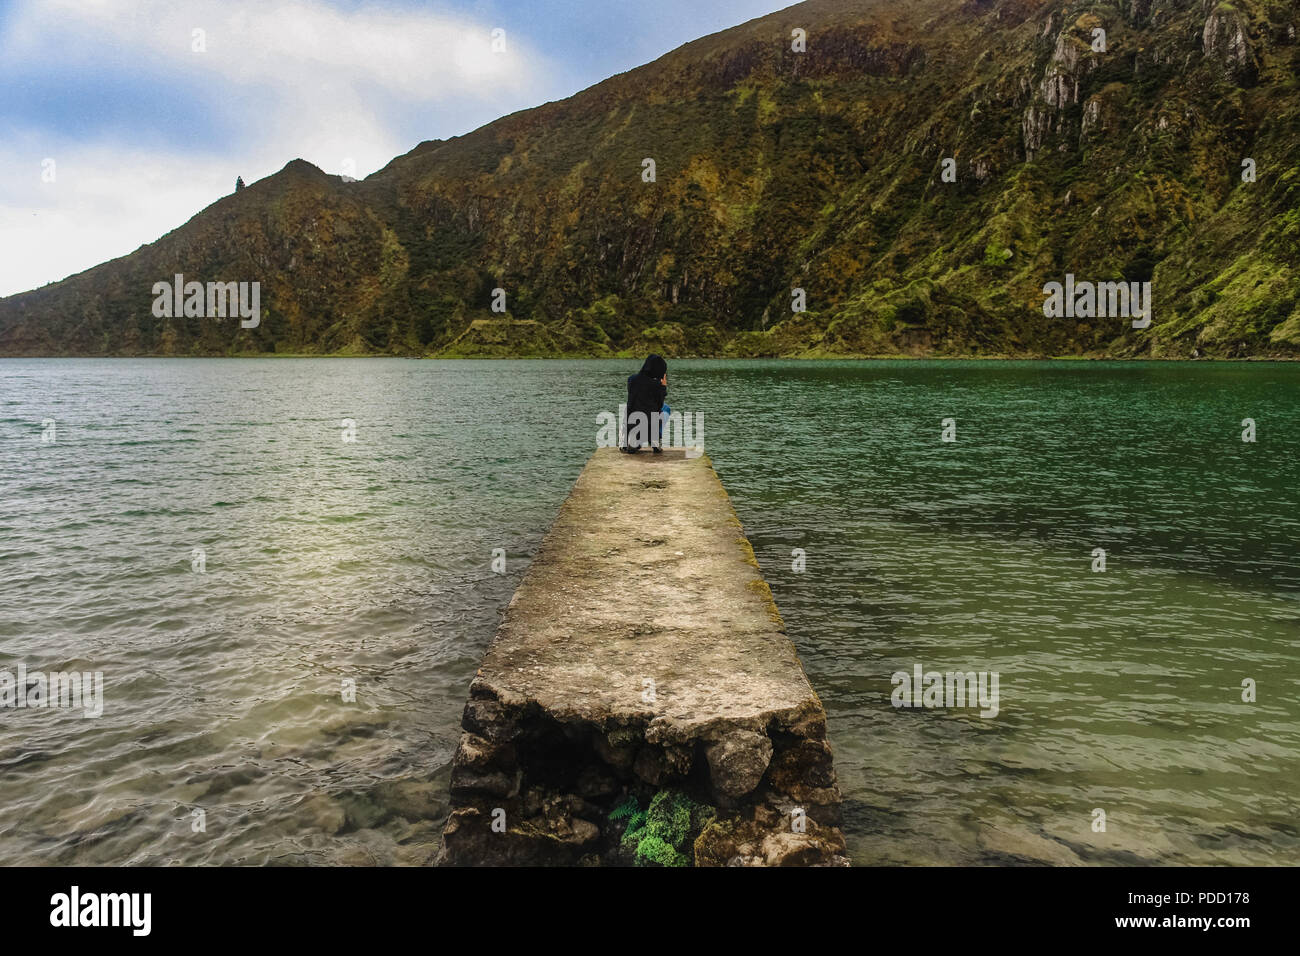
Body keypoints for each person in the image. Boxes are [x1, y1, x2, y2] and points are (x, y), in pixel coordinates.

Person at [623, 354, 668, 454]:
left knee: (630, 408)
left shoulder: (631, 379)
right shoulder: (656, 385)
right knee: (666, 409)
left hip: (632, 421)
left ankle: (634, 441)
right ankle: (655, 440)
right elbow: (659, 405)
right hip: (650, 424)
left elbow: (633, 398)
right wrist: (663, 387)